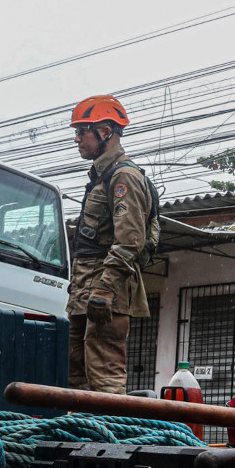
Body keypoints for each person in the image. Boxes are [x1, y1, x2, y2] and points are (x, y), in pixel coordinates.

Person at [67, 95, 159, 394]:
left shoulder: (124, 177)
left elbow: (129, 241)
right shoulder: (101, 177)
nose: (77, 139)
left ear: (105, 131)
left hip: (106, 288)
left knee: (104, 378)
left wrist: (105, 289)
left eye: (83, 131)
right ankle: (78, 435)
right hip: (85, 287)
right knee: (76, 378)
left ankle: (106, 437)